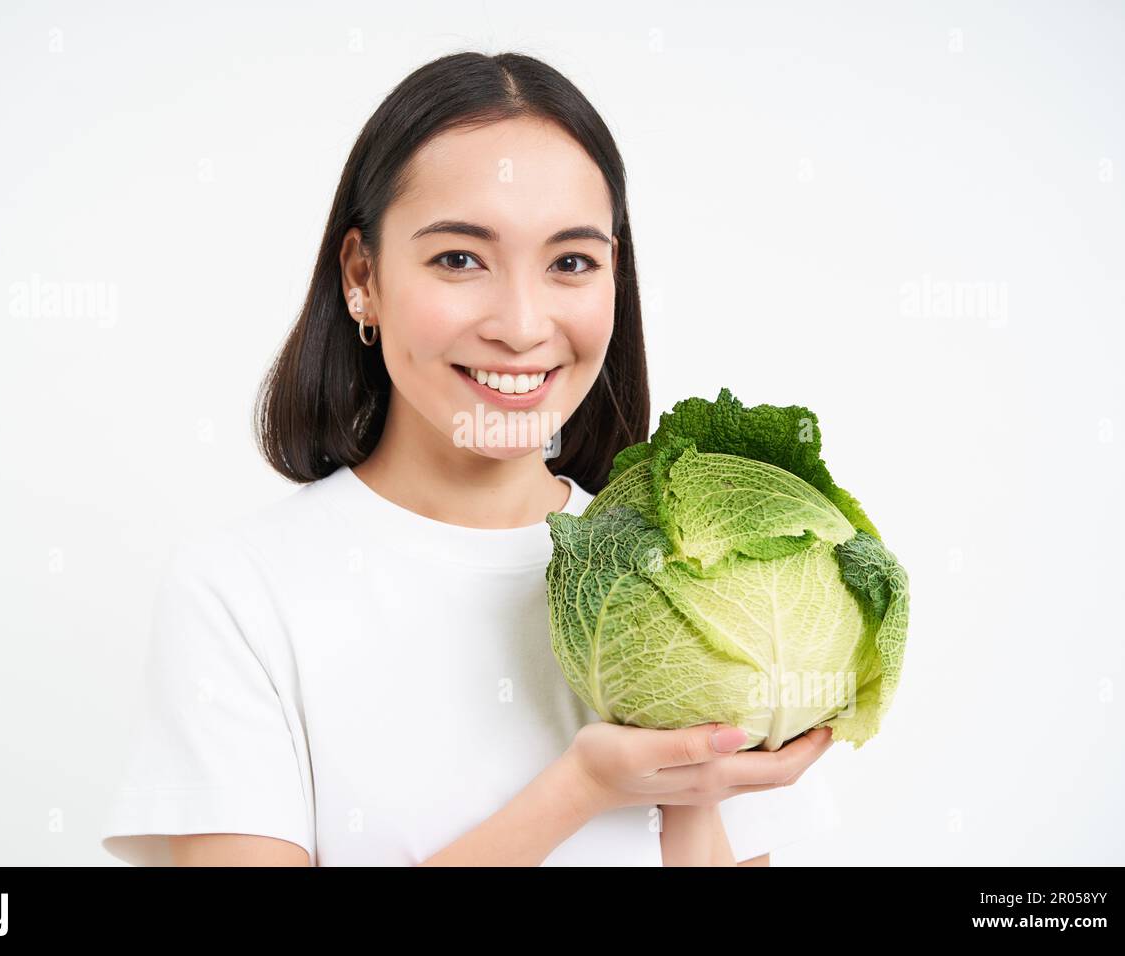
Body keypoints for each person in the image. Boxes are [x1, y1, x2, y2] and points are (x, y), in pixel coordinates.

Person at [99, 50, 840, 867]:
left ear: (616, 280)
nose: (521, 326)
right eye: (460, 258)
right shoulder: (240, 593)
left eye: (571, 263)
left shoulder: (704, 581)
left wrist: (692, 799)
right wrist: (581, 790)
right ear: (361, 278)